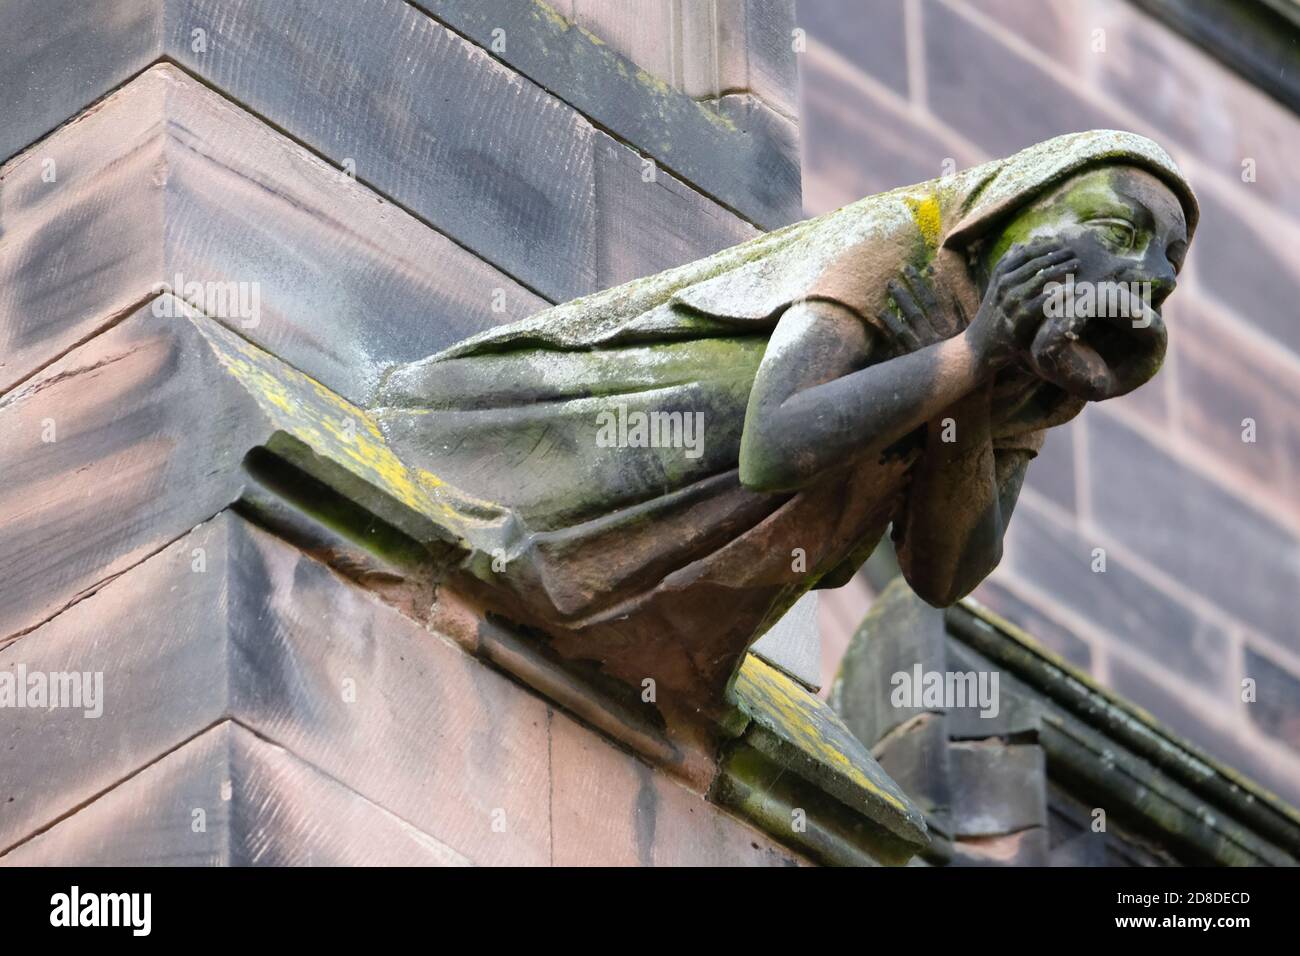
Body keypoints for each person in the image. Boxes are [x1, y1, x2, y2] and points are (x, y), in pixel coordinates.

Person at [375, 129, 1196, 704]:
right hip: (617, 444)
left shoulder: (1035, 384)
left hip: (700, 579)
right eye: (1117, 232)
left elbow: (945, 576)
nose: (1145, 277)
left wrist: (976, 388)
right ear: (1016, 207)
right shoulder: (900, 244)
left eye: (1166, 267)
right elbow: (774, 445)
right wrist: (966, 357)